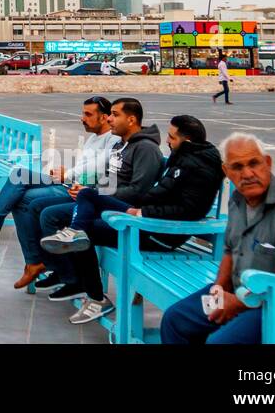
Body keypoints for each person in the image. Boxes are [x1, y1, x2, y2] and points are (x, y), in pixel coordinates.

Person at [41, 113, 224, 324]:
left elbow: (190, 212)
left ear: (188, 141)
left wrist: (142, 213)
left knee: (88, 232)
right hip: (147, 217)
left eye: (172, 137)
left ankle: (96, 298)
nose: (167, 141)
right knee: (88, 194)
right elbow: (163, 194)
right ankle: (75, 232)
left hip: (160, 232)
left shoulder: (200, 168)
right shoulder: (185, 158)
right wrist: (138, 209)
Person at [160, 132, 275, 344]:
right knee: (175, 320)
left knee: (220, 342)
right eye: (237, 167)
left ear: (268, 163)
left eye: (254, 163)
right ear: (226, 171)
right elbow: (230, 250)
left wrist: (240, 302)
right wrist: (220, 289)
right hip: (245, 294)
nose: (248, 173)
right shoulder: (238, 200)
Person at [0, 97, 115, 275]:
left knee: (22, 199)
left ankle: (33, 261)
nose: (82, 118)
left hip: (81, 192)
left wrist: (68, 174)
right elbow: (85, 167)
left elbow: (99, 165)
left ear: (104, 117)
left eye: (88, 114)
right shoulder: (93, 137)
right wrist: (67, 172)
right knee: (19, 175)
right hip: (71, 182)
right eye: (83, 113)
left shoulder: (112, 139)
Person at [35, 98, 164, 317]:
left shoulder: (145, 148)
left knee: (73, 227)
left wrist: (96, 194)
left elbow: (137, 192)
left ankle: (85, 288)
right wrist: (90, 189)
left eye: (115, 114)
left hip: (125, 212)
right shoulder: (123, 144)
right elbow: (108, 178)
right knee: (51, 214)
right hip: (104, 201)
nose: (110, 119)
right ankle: (72, 276)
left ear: (131, 119)